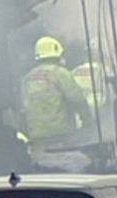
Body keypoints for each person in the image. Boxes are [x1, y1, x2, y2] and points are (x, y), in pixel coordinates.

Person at [20, 36, 93, 171]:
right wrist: (89, 123)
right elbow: (78, 100)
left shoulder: (27, 79)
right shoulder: (60, 74)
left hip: (38, 142)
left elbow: (24, 110)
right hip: (63, 140)